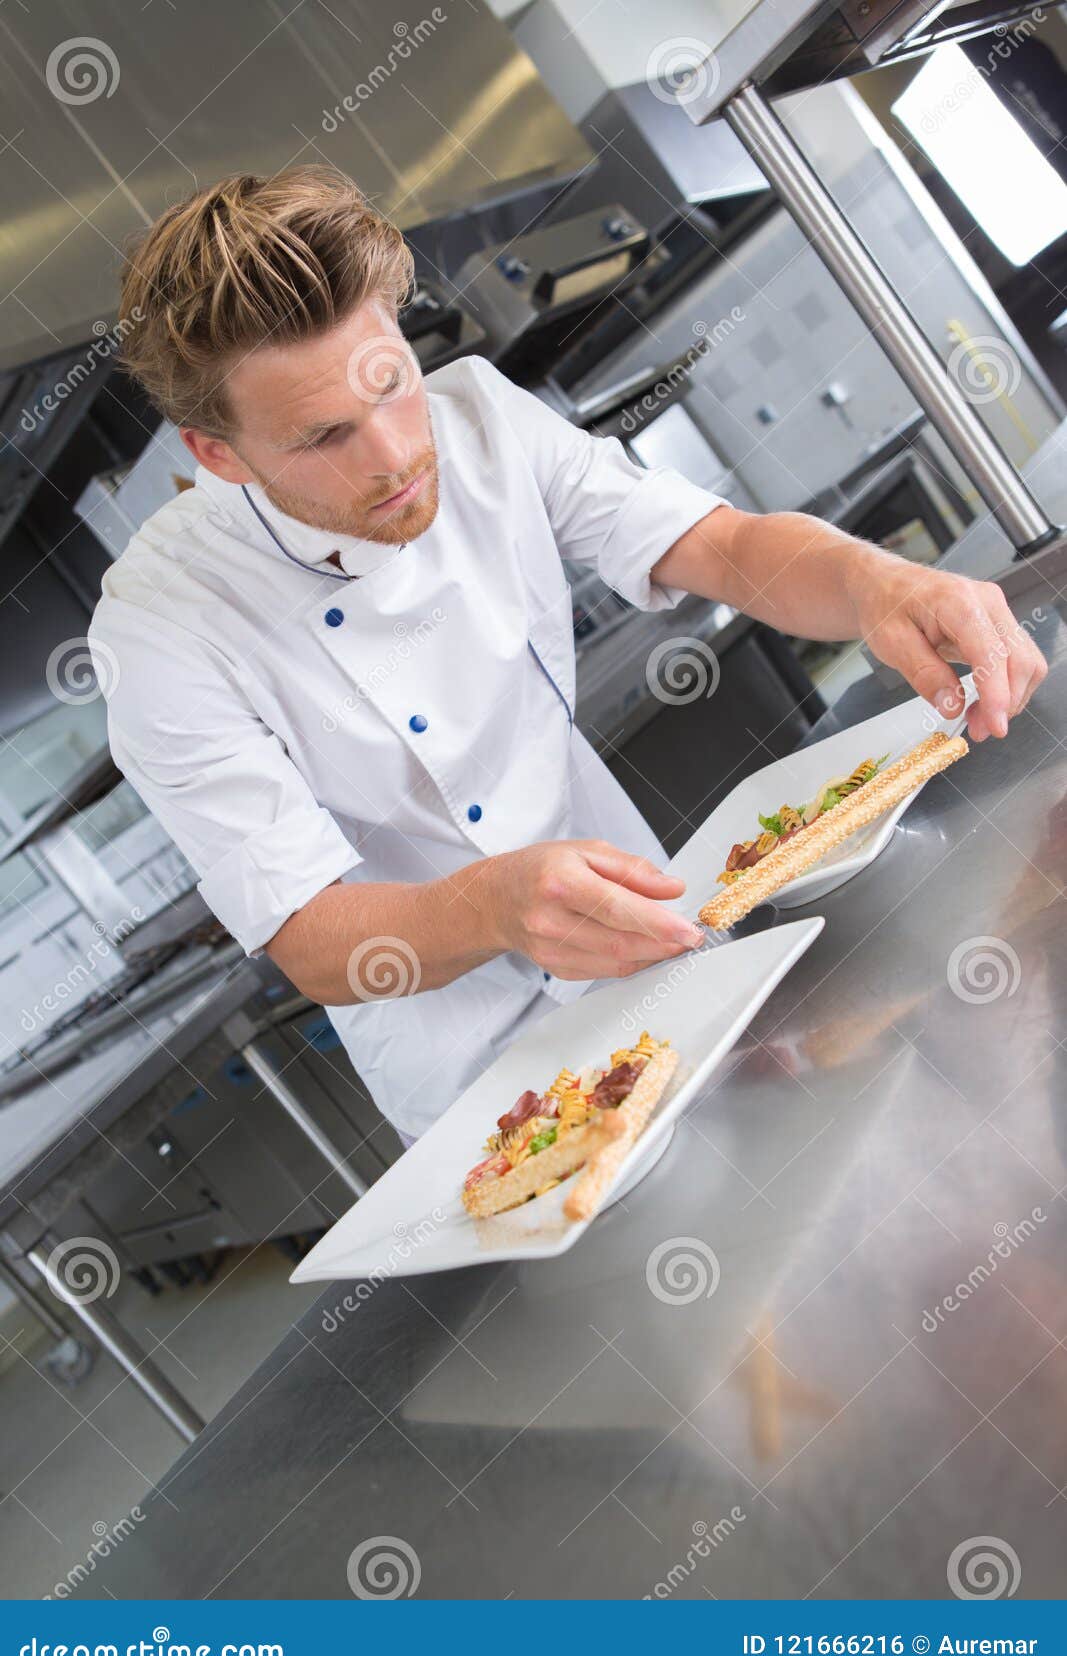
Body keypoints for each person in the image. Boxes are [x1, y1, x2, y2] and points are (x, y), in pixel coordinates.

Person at [89, 166, 1047, 1145]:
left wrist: (874, 581)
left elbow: (717, 545)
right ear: (218, 454)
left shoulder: (480, 417)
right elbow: (307, 935)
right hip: (480, 1081)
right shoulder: (160, 630)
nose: (391, 455)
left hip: (658, 949)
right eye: (324, 436)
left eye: (391, 384)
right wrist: (494, 905)